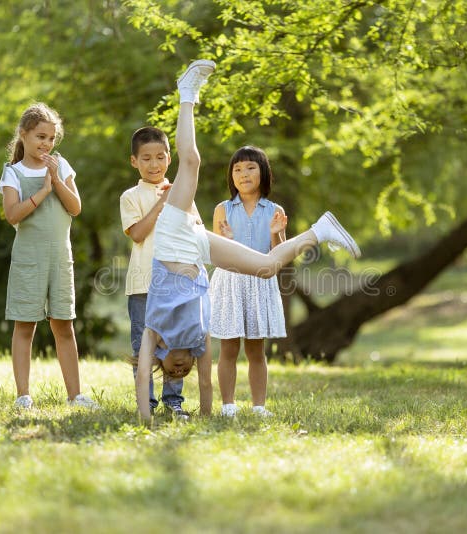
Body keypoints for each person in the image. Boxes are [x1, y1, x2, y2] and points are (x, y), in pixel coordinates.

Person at [136, 60, 361, 423]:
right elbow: (206, 386)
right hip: (200, 248)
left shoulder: (154, 334)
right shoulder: (196, 341)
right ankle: (320, 230)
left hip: (174, 237)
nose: (179, 368)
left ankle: (187, 93)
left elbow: (143, 374)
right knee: (266, 266)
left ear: (162, 359)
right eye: (183, 372)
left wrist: (145, 418)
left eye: (172, 370)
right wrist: (209, 417)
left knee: (190, 161)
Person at [0, 102, 98, 410]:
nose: (46, 144)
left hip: (59, 260)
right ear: (24, 135)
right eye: (40, 137)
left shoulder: (60, 165)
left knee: (64, 325)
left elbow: (75, 207)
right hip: (29, 260)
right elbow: (13, 214)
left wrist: (54, 180)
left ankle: (75, 395)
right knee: (25, 326)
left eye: (51, 139)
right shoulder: (12, 173)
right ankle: (23, 395)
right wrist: (41, 192)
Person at [120, 126, 203, 419]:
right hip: (143, 282)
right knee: (142, 342)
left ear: (169, 158)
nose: (154, 165)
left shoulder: (182, 193)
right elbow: (138, 233)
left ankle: (173, 400)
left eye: (159, 157)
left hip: (177, 283)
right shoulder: (130, 196)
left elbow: (197, 232)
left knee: (176, 341)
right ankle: (148, 402)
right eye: (146, 159)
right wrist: (161, 203)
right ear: (134, 161)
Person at [209, 146, 287, 417]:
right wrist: (227, 242)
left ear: (263, 172)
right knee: (228, 347)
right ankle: (228, 405)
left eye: (251, 168)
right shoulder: (223, 209)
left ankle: (258, 407)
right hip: (230, 282)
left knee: (256, 350)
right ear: (231, 176)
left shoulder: (274, 210)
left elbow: (279, 256)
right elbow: (215, 253)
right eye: (237, 169)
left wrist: (277, 234)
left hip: (259, 283)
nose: (244, 174)